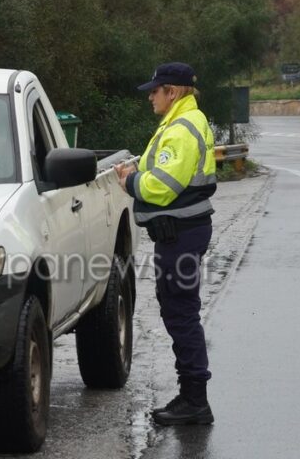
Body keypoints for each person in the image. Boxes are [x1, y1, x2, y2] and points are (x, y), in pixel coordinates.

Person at [114, 62, 216, 426]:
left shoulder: (181, 128)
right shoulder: (182, 122)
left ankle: (195, 401)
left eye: (155, 91)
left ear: (172, 92)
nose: (150, 98)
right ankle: (191, 395)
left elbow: (162, 186)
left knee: (181, 313)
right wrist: (137, 169)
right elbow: (164, 169)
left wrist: (129, 182)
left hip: (181, 235)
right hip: (182, 234)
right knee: (178, 310)